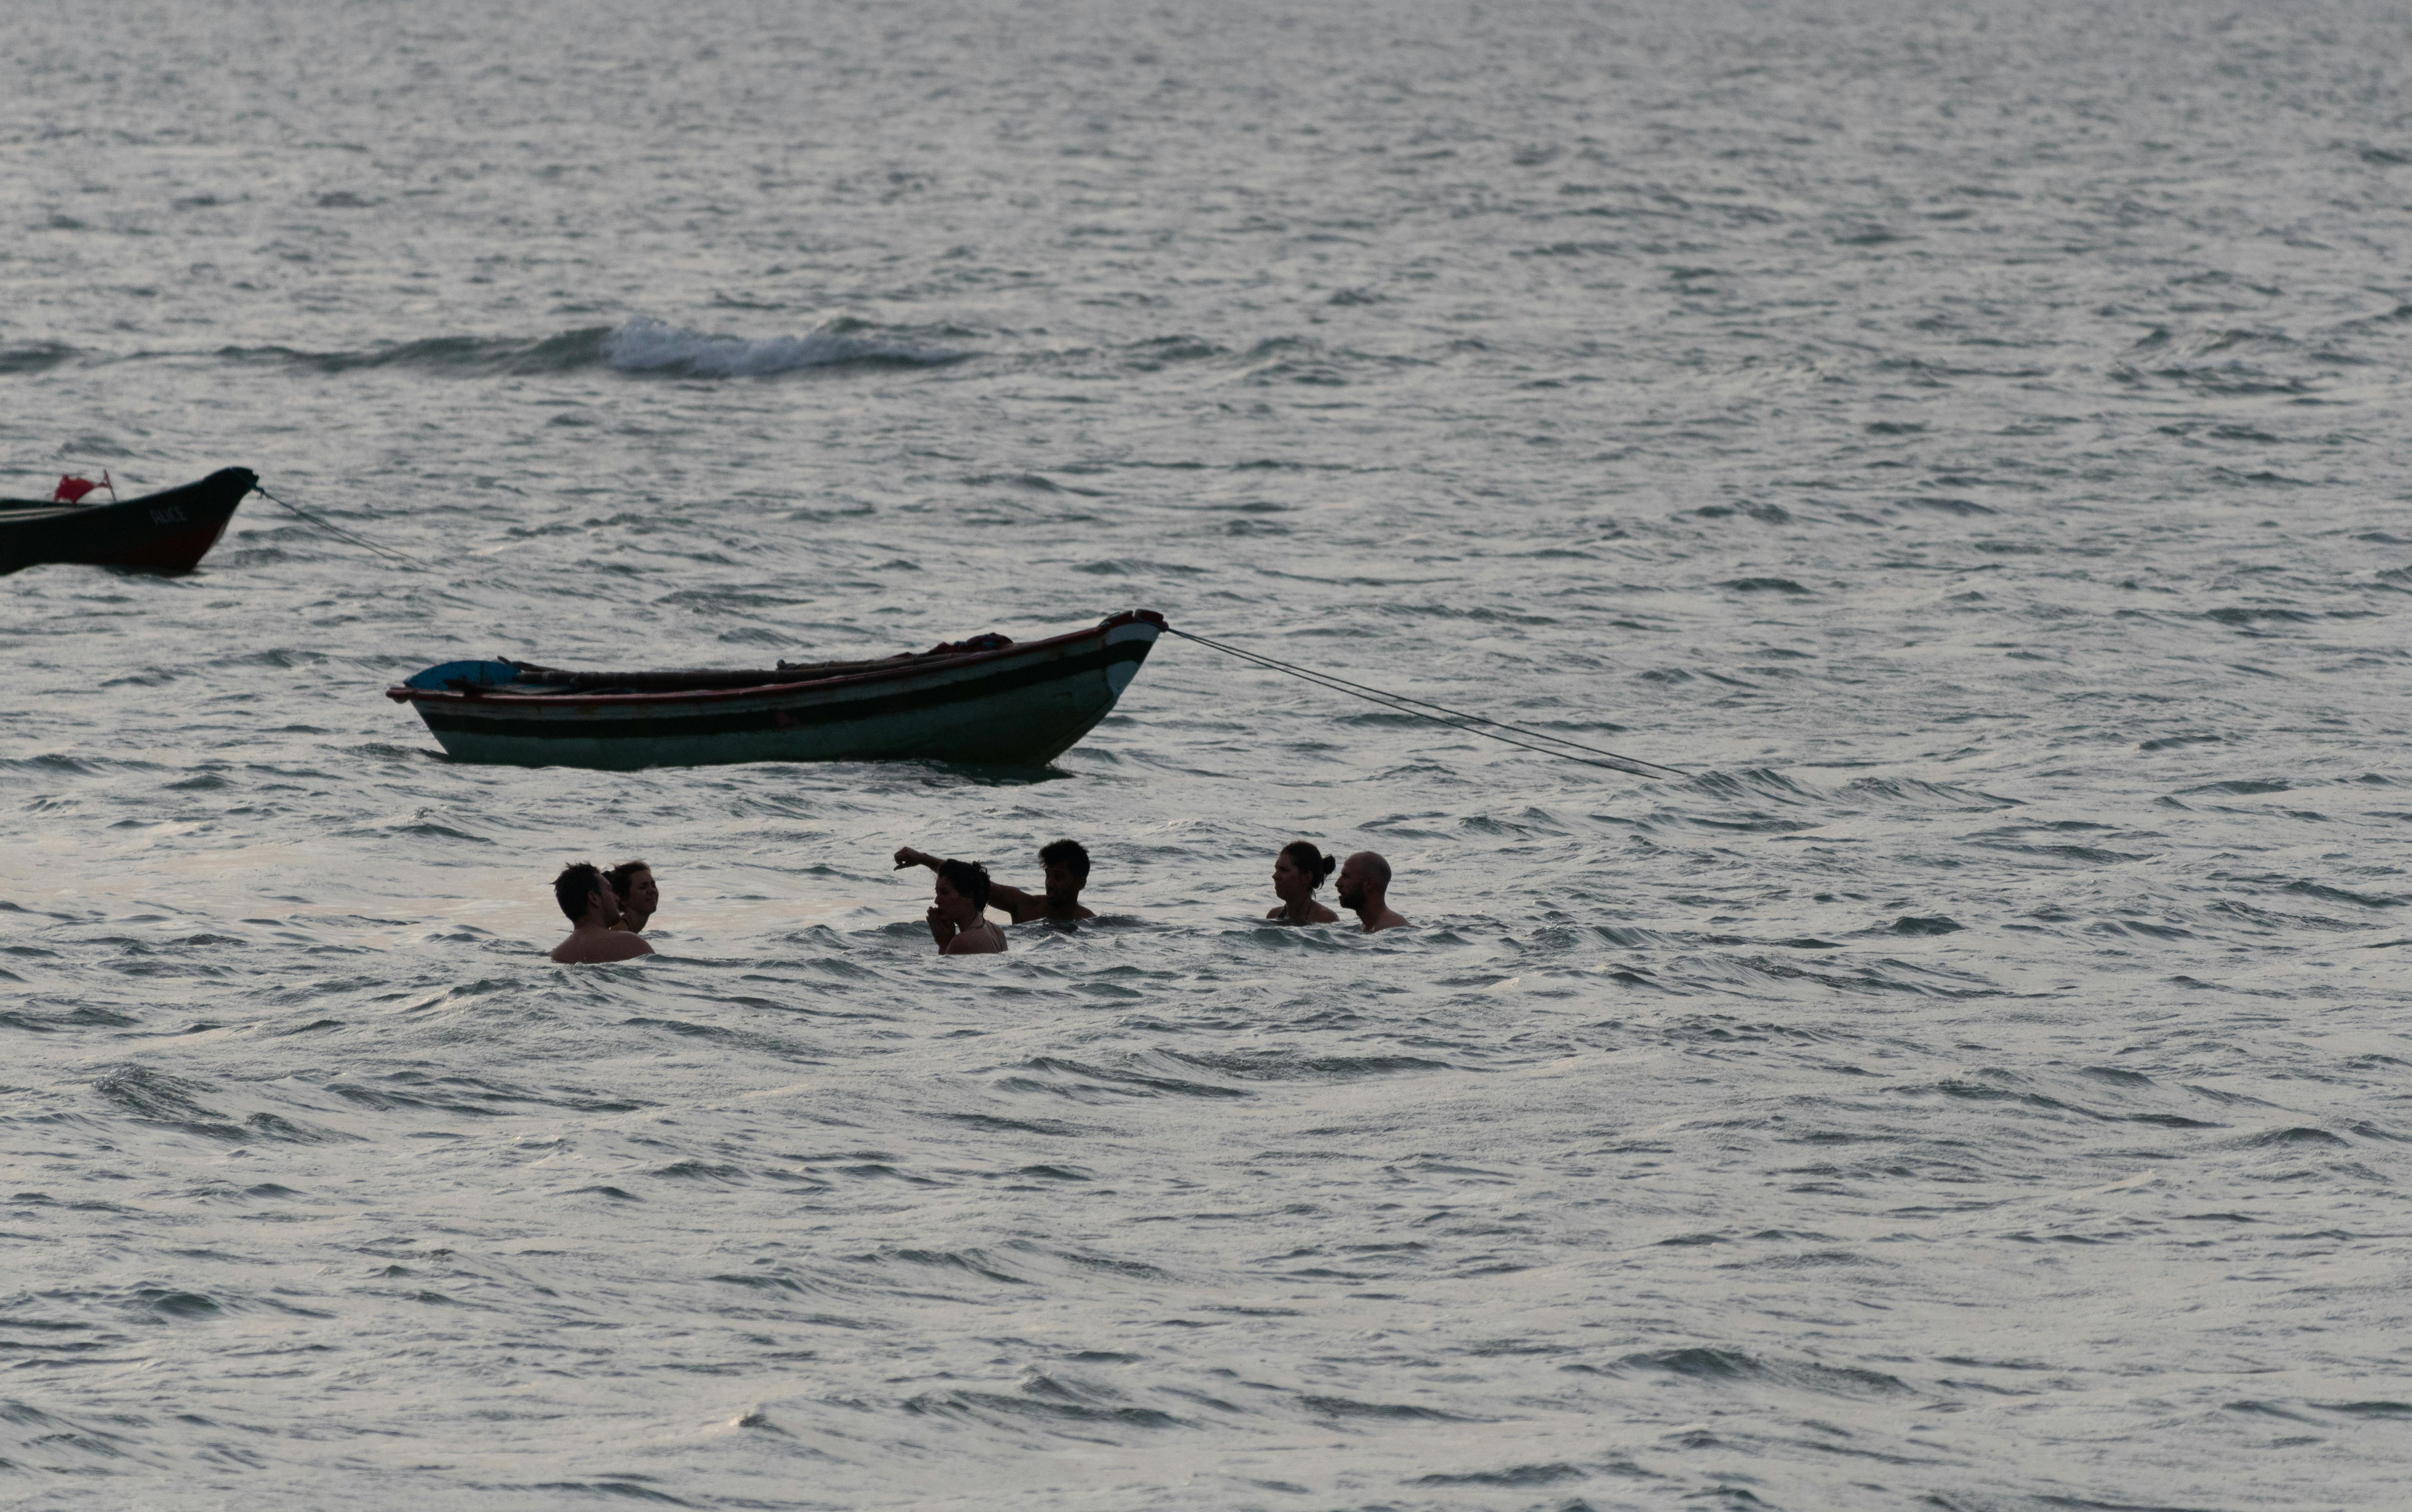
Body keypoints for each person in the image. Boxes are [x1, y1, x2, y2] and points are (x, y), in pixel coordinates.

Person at [894, 838, 1094, 923]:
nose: (1050, 883)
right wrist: (922, 858)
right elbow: (972, 879)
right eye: (1047, 875)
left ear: (1080, 884)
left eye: (1058, 877)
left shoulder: (1091, 923)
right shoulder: (1024, 906)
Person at [550, 863, 654, 963]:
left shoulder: (557, 955)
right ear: (594, 898)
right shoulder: (630, 943)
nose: (617, 898)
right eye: (609, 890)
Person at [926, 858, 1007, 955]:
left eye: (945, 893)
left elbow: (946, 970)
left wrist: (944, 946)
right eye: (937, 892)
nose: (937, 901)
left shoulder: (962, 943)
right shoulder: (997, 931)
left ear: (969, 896)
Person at [1267, 841, 1340, 924]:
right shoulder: (1274, 916)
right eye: (1277, 869)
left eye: (1284, 870)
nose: (1275, 876)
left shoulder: (1326, 919)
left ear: (1307, 878)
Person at [1335, 851, 1408, 934]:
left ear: (1369, 884)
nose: (1338, 884)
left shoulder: (1390, 929)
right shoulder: (1371, 927)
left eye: (1346, 877)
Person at [605, 860, 658, 933]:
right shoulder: (621, 934)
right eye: (643, 887)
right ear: (623, 899)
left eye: (653, 885)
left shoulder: (626, 930)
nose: (652, 890)